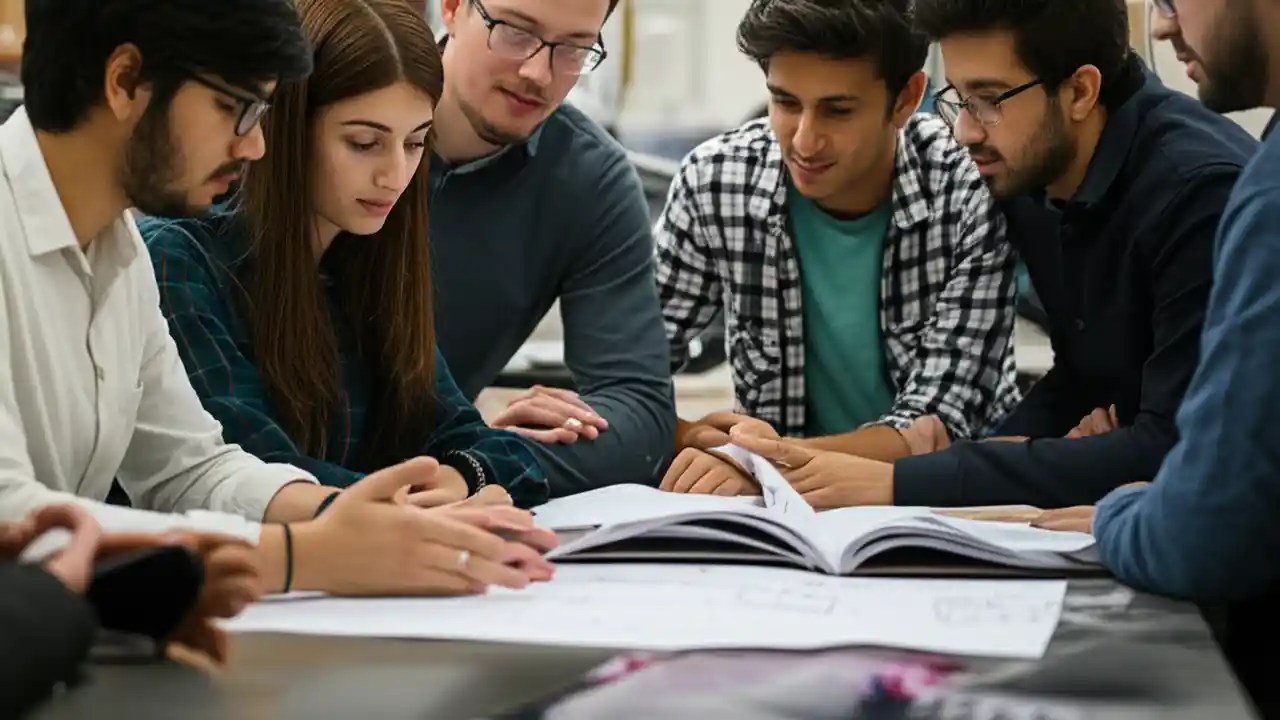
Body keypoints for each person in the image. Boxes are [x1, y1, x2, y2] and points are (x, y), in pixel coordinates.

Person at [0, 0, 554, 598]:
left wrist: (349, 520)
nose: (257, 146)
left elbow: (192, 469)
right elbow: (12, 513)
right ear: (126, 81)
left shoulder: (119, 247)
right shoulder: (150, 249)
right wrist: (296, 555)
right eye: (236, 109)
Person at [731, 0, 1256, 510]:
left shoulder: (1196, 193)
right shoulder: (1034, 166)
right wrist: (1002, 455)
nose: (964, 131)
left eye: (990, 100)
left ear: (1080, 91)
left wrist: (904, 483)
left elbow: (1175, 446)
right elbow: (1081, 379)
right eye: (958, 97)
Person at [142, 0, 547, 511]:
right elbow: (253, 471)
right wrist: (430, 501)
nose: (395, 175)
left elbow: (501, 452)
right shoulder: (179, 261)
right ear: (288, 129)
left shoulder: (368, 268)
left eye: (416, 143)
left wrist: (460, 477)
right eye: (363, 143)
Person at [656, 0, 1020, 497]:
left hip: (942, 504)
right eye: (785, 103)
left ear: (907, 98)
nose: (804, 140)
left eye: (838, 110)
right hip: (779, 511)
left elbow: (940, 425)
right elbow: (628, 373)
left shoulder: (968, 188)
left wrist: (761, 463)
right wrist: (694, 437)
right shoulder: (715, 181)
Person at [1030, 1, 1280, 712]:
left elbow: (1209, 531)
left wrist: (1127, 509)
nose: (1164, 26)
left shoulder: (1241, 189)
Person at [429, 0, 676, 496]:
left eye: (574, 49)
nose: (538, 73)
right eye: (515, 32)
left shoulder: (589, 178)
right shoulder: (320, 116)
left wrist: (480, 460)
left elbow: (641, 418)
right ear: (452, 8)